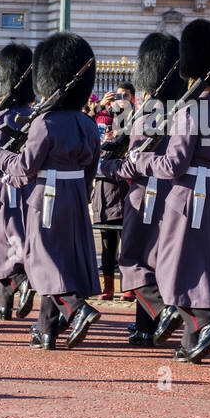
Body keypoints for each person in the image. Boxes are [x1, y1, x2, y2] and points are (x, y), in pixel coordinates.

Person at [133, 18, 210, 363]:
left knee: (170, 267)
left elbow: (172, 165)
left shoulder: (190, 112)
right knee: (200, 267)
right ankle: (190, 338)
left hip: (186, 196)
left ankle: (206, 322)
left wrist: (140, 160)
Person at [0, 33, 102, 351]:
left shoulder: (46, 122)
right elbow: (91, 169)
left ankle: (76, 308)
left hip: (48, 194)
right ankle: (46, 329)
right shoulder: (87, 123)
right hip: (75, 193)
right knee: (59, 260)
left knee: (42, 259)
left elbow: (26, 166)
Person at [99, 33, 184, 347]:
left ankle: (163, 311)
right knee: (154, 259)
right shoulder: (183, 114)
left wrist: (104, 167)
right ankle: (144, 327)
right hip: (174, 194)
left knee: (133, 258)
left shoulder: (146, 118)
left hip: (145, 193)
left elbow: (132, 165)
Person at [0, 43, 36, 321]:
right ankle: (4, 304)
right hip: (29, 187)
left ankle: (16, 280)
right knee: (19, 240)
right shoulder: (37, 117)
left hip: (0, 187)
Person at [91, 82, 133, 299]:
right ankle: (108, 286)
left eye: (125, 95)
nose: (121, 98)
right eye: (118, 95)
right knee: (108, 242)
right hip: (105, 184)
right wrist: (97, 109)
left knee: (128, 241)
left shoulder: (134, 119)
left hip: (124, 184)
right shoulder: (102, 117)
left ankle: (128, 286)